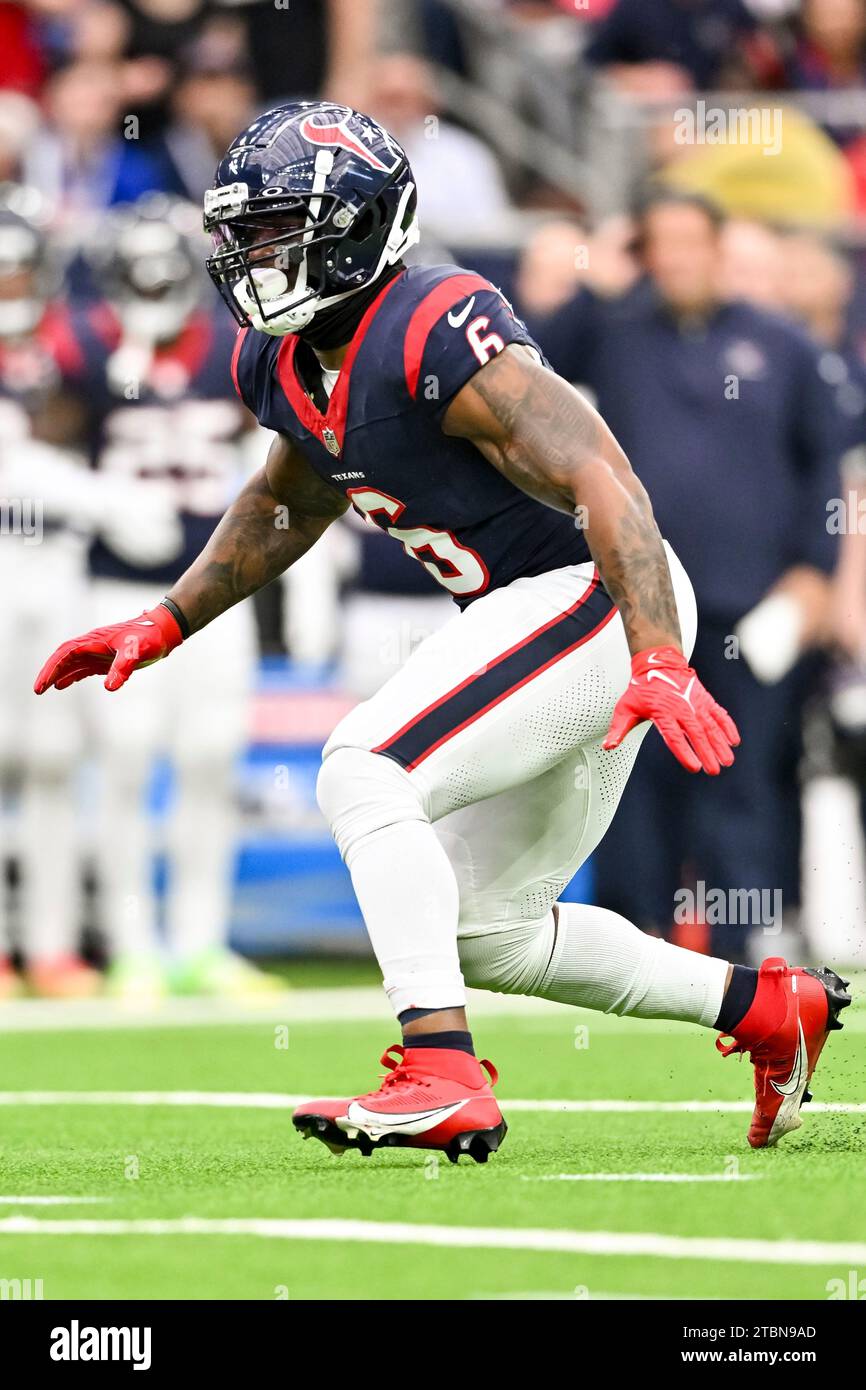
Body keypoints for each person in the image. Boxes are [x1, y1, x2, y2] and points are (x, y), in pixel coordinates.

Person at [35, 103, 850, 1159]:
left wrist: (652, 650)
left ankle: (440, 1067)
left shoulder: (434, 321)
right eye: (247, 234)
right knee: (487, 929)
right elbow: (290, 495)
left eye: (282, 231)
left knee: (364, 769)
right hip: (556, 617)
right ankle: (761, 1005)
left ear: (357, 226)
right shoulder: (276, 363)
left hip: (591, 594)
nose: (253, 258)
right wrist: (164, 618)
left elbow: (601, 474)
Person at [537, 192, 841, 963]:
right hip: (639, 610)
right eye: (659, 243)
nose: (675, 258)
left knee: (741, 782)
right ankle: (631, 950)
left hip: (749, 610)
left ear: (716, 247)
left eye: (688, 241)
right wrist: (591, 282)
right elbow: (530, 374)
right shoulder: (612, 333)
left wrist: (814, 574)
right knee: (630, 783)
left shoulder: (782, 345)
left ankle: (747, 960)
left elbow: (825, 472)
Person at [71, 194, 269, 1002]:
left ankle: (200, 939)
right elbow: (27, 453)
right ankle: (130, 942)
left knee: (211, 761)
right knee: (122, 766)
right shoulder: (79, 353)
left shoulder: (234, 350)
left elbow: (277, 453)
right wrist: (100, 499)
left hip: (213, 593)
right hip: (112, 584)